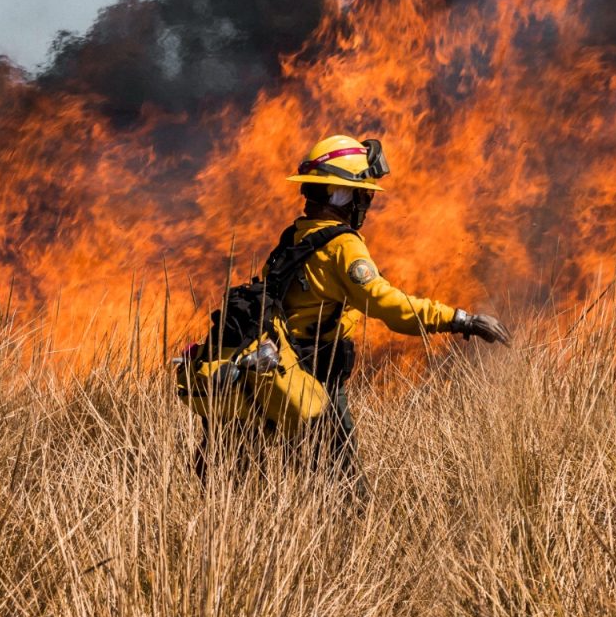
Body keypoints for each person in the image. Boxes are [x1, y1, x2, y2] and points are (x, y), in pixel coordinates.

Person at [178, 133, 510, 487]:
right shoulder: (342, 247)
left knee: (255, 478)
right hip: (313, 375)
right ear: (344, 194)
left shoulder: (294, 236)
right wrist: (461, 319)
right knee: (344, 485)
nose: (365, 205)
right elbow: (388, 304)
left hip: (278, 371)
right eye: (364, 195)